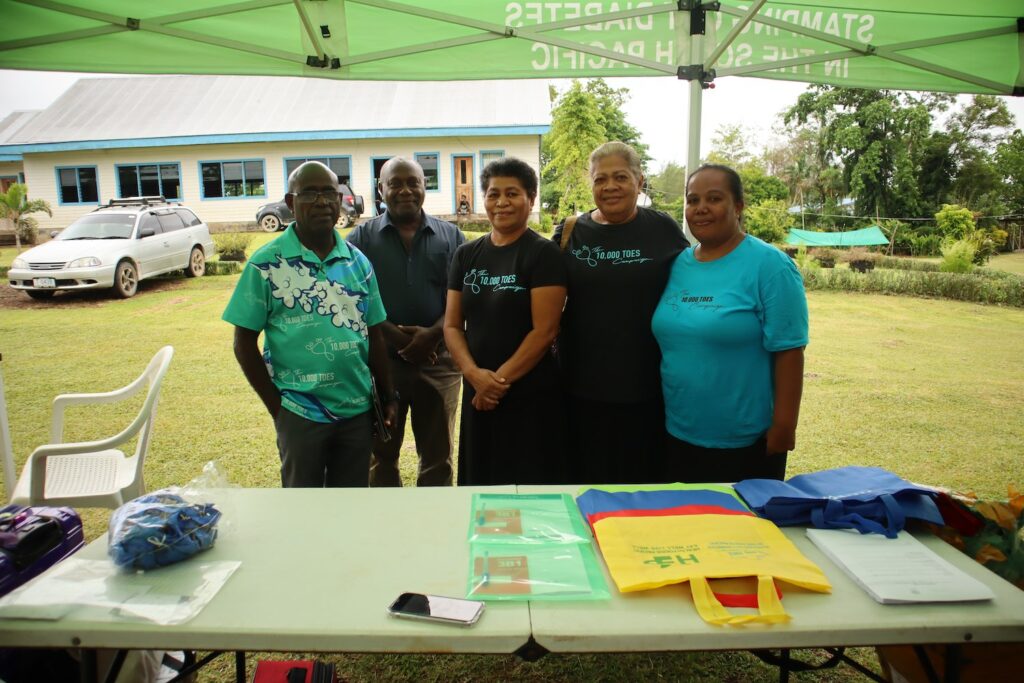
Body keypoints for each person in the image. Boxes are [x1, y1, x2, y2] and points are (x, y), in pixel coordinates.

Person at [223, 161, 396, 488]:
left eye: (330, 193)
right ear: (291, 202)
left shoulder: (358, 263)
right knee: (303, 509)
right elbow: (243, 343)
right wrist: (279, 409)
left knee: (351, 504)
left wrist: (389, 397)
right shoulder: (266, 264)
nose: (322, 202)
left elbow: (374, 334)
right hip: (300, 413)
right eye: (311, 193)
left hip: (356, 413)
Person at [652, 164, 808, 483]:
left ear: (738, 206)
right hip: (677, 433)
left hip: (747, 443)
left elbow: (790, 351)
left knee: (740, 533)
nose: (701, 209)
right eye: (693, 200)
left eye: (714, 198)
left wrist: (784, 427)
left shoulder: (770, 265)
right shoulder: (679, 263)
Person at [552, 141, 688, 484]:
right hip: (580, 384)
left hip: (647, 384)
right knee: (584, 478)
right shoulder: (570, 233)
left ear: (639, 181)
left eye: (620, 177)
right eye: (600, 179)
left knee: (641, 481)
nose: (610, 186)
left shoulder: (663, 229)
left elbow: (691, 282)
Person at [444, 157, 568, 485]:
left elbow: (544, 331)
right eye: (493, 194)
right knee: (481, 483)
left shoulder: (543, 254)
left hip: (529, 394)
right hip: (477, 393)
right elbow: (453, 325)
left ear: (531, 199)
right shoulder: (466, 255)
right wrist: (473, 376)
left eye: (512, 193)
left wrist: (495, 384)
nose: (501, 202)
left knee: (529, 485)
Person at [347, 157, 465, 487]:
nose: (405, 190)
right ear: (380, 189)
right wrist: (400, 340)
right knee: (381, 454)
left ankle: (433, 526)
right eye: (395, 183)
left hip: (439, 362)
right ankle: (386, 529)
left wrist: (432, 334)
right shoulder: (361, 239)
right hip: (382, 364)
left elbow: (466, 295)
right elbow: (351, 298)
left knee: (438, 457)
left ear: (424, 186)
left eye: (413, 182)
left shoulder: (451, 236)